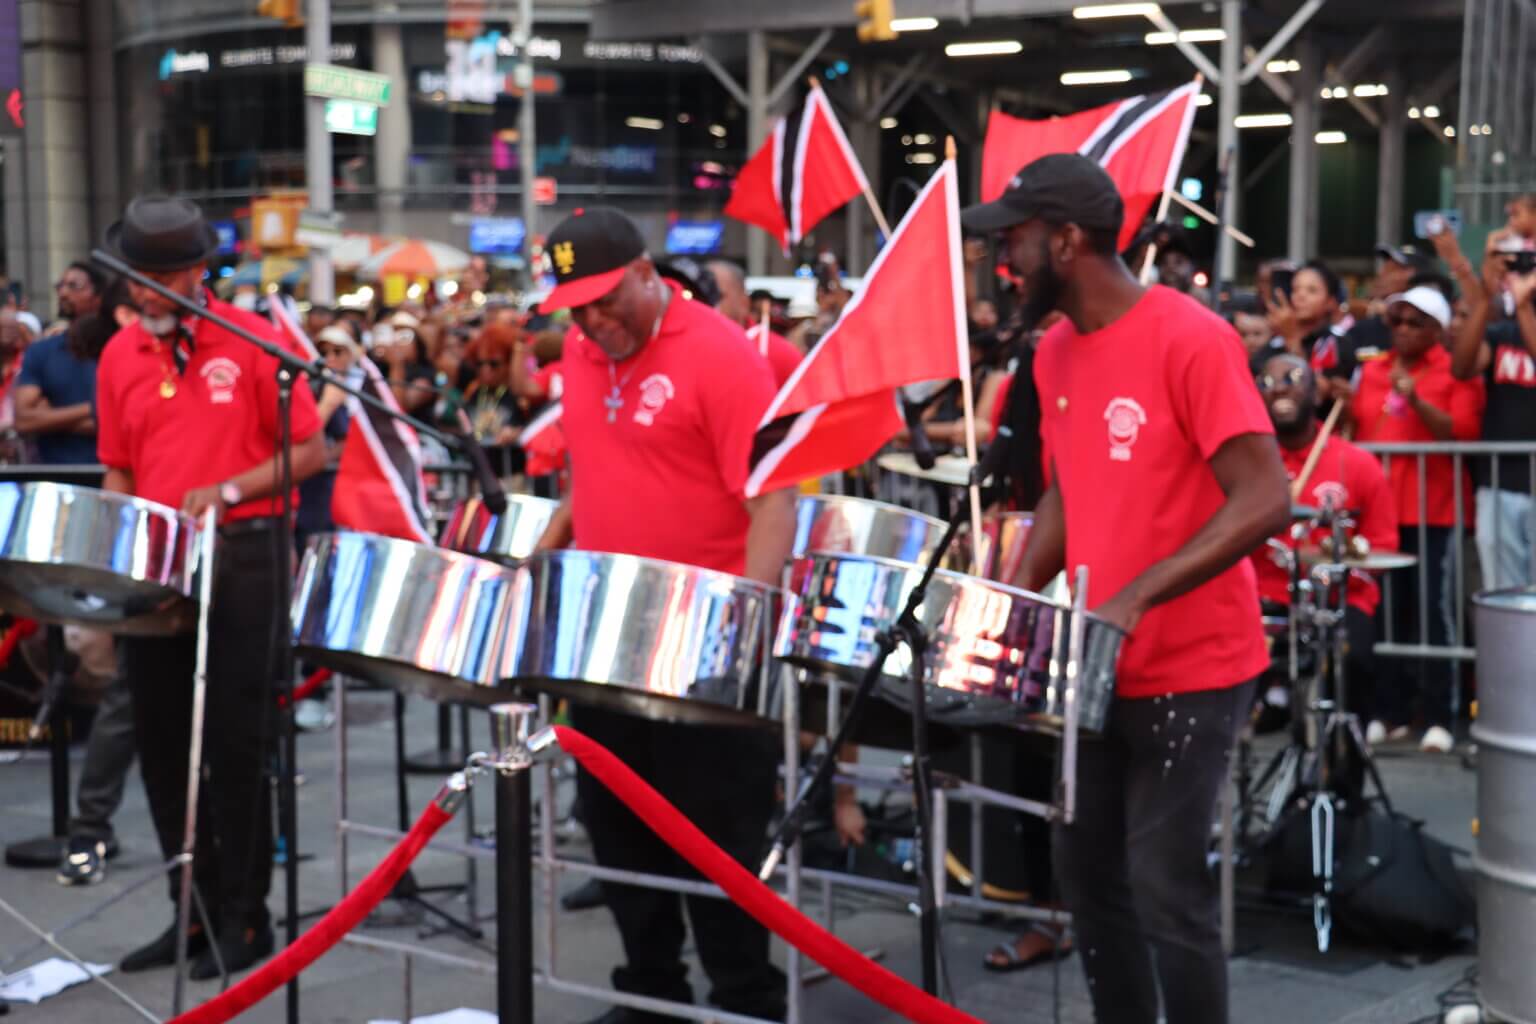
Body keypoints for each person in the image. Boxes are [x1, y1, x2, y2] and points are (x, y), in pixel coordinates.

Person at [963, 153, 1289, 1024]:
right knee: (1086, 876)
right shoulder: (1057, 351)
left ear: (1066, 242)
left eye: (1017, 240)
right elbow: (1072, 487)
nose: (1004, 259)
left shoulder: (1191, 335)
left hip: (1196, 664)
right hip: (1093, 664)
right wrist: (1016, 594)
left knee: (1163, 885)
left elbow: (1266, 497)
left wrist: (1136, 596)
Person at [533, 206, 795, 1024]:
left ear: (650, 274)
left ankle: (745, 1002)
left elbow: (775, 501)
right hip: (606, 635)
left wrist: (742, 632)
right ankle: (652, 994)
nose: (592, 321)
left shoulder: (721, 356)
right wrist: (538, 556)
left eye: (606, 300)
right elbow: (596, 470)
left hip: (702, 641)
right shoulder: (580, 353)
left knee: (717, 842)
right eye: (576, 306)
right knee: (616, 829)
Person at [94, 196, 325, 977]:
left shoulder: (253, 340)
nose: (147, 295)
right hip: (161, 564)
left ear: (199, 273)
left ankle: (246, 918)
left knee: (235, 742)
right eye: (137, 280)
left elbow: (310, 451)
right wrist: (118, 540)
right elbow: (118, 463)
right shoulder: (120, 354)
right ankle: (189, 913)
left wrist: (225, 490)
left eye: (162, 279)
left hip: (244, 552)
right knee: (163, 746)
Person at [1349, 285, 1485, 753]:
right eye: (1396, 321)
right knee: (1385, 612)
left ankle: (1441, 714)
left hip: (1436, 508)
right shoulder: (1371, 371)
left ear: (1437, 329)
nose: (1403, 330)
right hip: (1381, 511)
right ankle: (1389, 711)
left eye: (1415, 322)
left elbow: (1462, 432)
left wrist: (1419, 400)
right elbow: (1359, 426)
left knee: (1434, 615)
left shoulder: (1457, 370)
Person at [1248, 354, 1399, 740]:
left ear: (1316, 395)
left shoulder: (1357, 463)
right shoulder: (1246, 466)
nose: (1279, 387)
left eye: (1293, 378)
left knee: (1353, 657)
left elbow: (1384, 543)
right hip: (1266, 599)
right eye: (1266, 382)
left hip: (1338, 599)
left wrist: (1347, 552)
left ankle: (1344, 770)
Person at [1447, 239, 1536, 590]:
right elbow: (1462, 367)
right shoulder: (1503, 334)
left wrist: (1525, 306)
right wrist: (1485, 295)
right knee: (1504, 591)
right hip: (1501, 483)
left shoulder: (1524, 320)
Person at [706, 259, 802, 385]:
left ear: (743, 302)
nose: (707, 304)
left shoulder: (781, 354)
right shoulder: (683, 350)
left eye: (718, 296)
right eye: (701, 296)